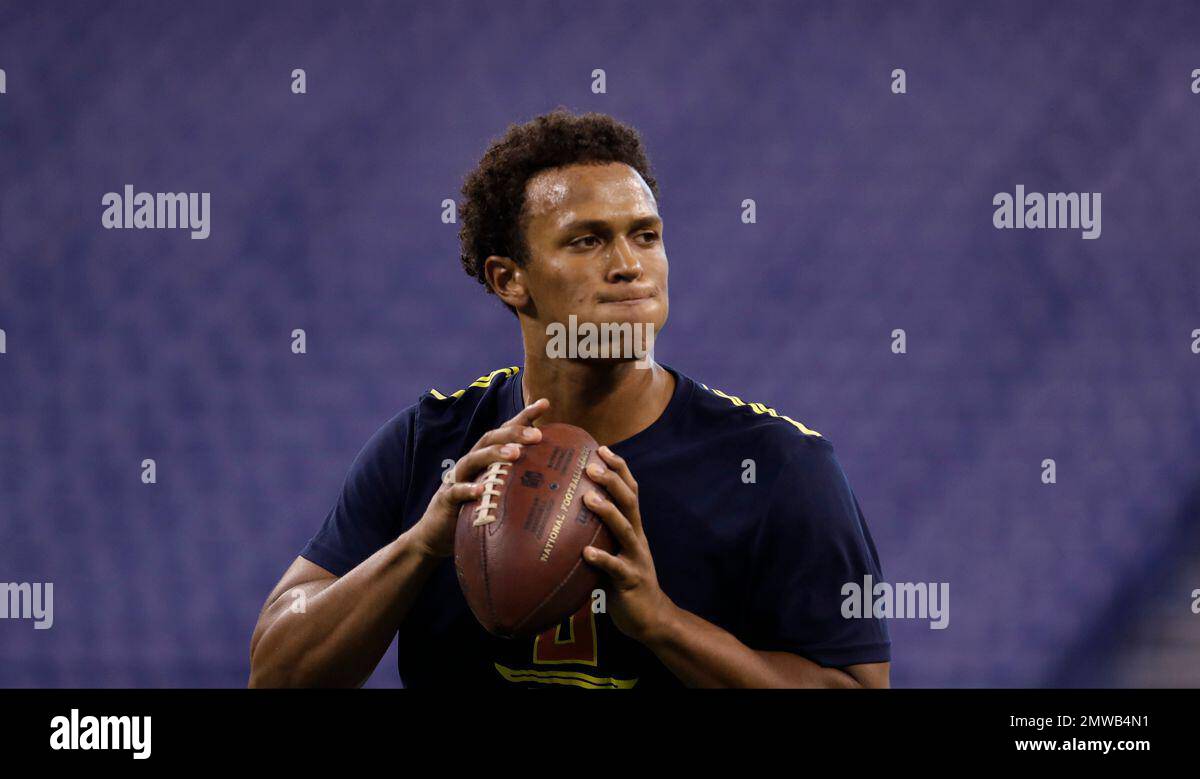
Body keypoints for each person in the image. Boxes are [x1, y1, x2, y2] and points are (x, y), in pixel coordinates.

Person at [248, 108, 890, 688]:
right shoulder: (435, 446)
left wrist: (664, 624)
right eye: (588, 240)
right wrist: (419, 547)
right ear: (509, 279)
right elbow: (276, 674)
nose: (629, 265)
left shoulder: (777, 465)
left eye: (645, 235)